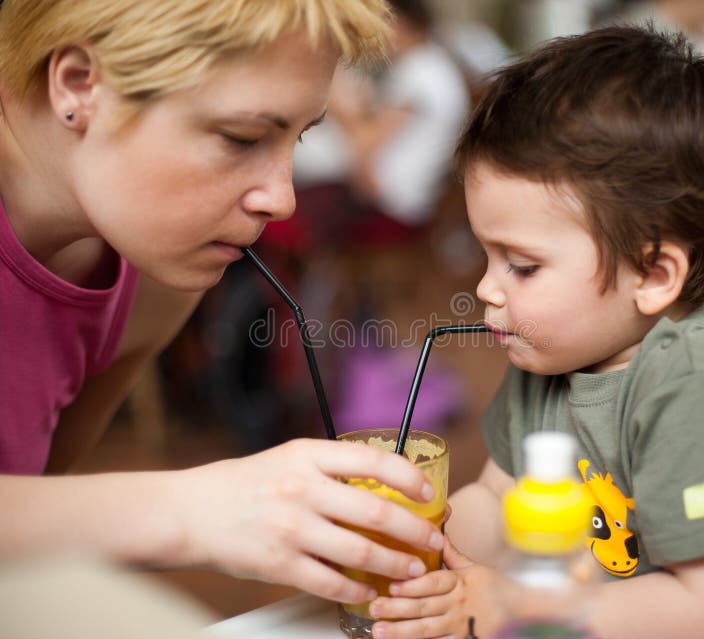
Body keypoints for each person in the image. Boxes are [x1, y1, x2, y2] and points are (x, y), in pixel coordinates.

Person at [0, 0, 446, 607]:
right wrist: (190, 511)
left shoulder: (154, 285)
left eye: (300, 135)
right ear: (80, 84)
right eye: (242, 138)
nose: (283, 200)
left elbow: (34, 509)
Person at [361, 25, 704, 639]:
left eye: (522, 265)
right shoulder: (548, 357)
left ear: (652, 273)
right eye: (486, 256)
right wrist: (411, 550)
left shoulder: (698, 401)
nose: (488, 288)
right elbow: (496, 502)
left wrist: (514, 605)